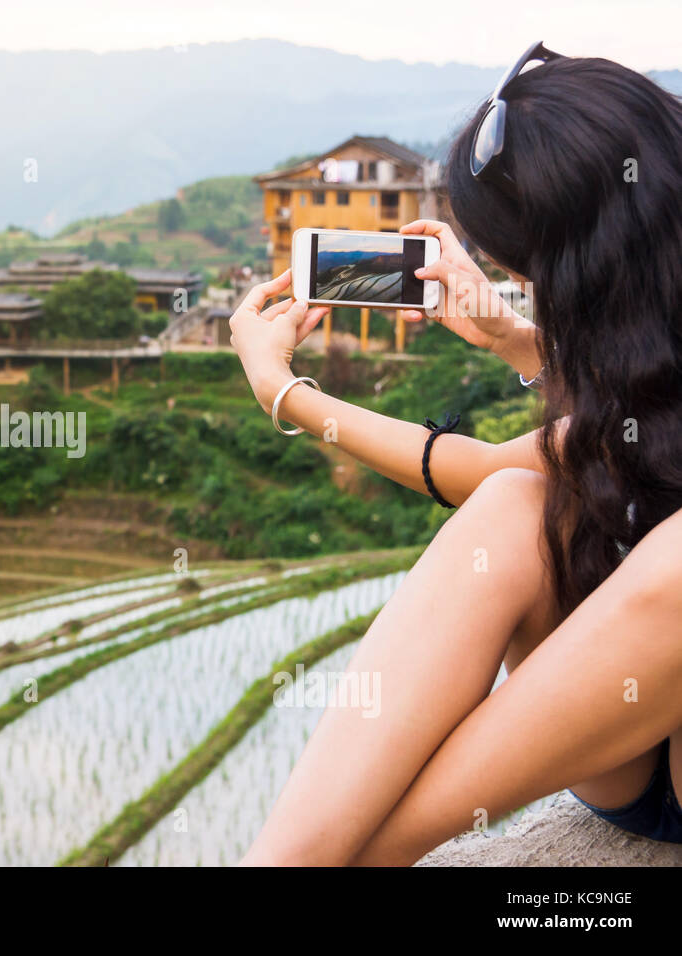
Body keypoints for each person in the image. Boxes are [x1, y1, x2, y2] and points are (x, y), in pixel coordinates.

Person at [229, 43, 682, 865]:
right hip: (636, 761)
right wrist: (513, 340)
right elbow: (504, 465)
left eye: (533, 274)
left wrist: (284, 392)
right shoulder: (648, 349)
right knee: (516, 502)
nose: (530, 292)